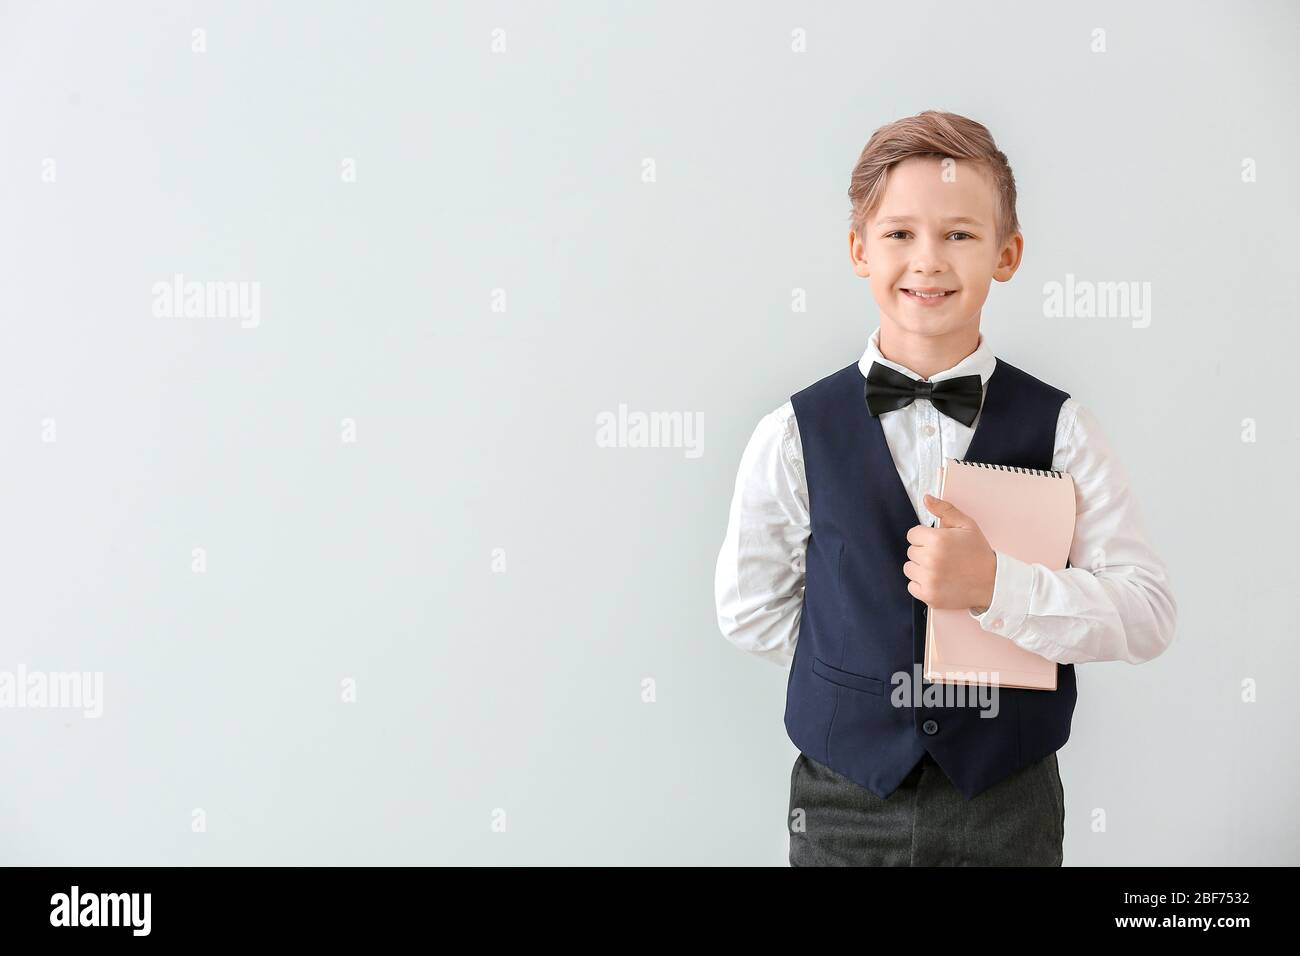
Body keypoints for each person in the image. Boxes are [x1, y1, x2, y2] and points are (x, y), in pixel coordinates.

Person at [713, 110, 1178, 866]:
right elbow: (750, 608)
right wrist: (860, 673)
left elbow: (1148, 613)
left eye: (959, 234)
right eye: (900, 234)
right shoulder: (791, 434)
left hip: (1008, 800)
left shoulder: (1064, 429)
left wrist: (1002, 588)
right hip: (842, 804)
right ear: (860, 250)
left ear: (1007, 252)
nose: (928, 260)